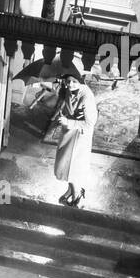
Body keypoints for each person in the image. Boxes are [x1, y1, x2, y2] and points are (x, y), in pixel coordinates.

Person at [52, 58, 97, 207]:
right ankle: (71, 190)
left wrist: (68, 122)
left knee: (73, 167)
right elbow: (67, 106)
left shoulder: (86, 96)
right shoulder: (67, 89)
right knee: (64, 164)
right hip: (68, 133)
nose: (70, 84)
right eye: (67, 81)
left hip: (79, 135)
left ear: (80, 81)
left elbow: (90, 123)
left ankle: (77, 195)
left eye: (73, 81)